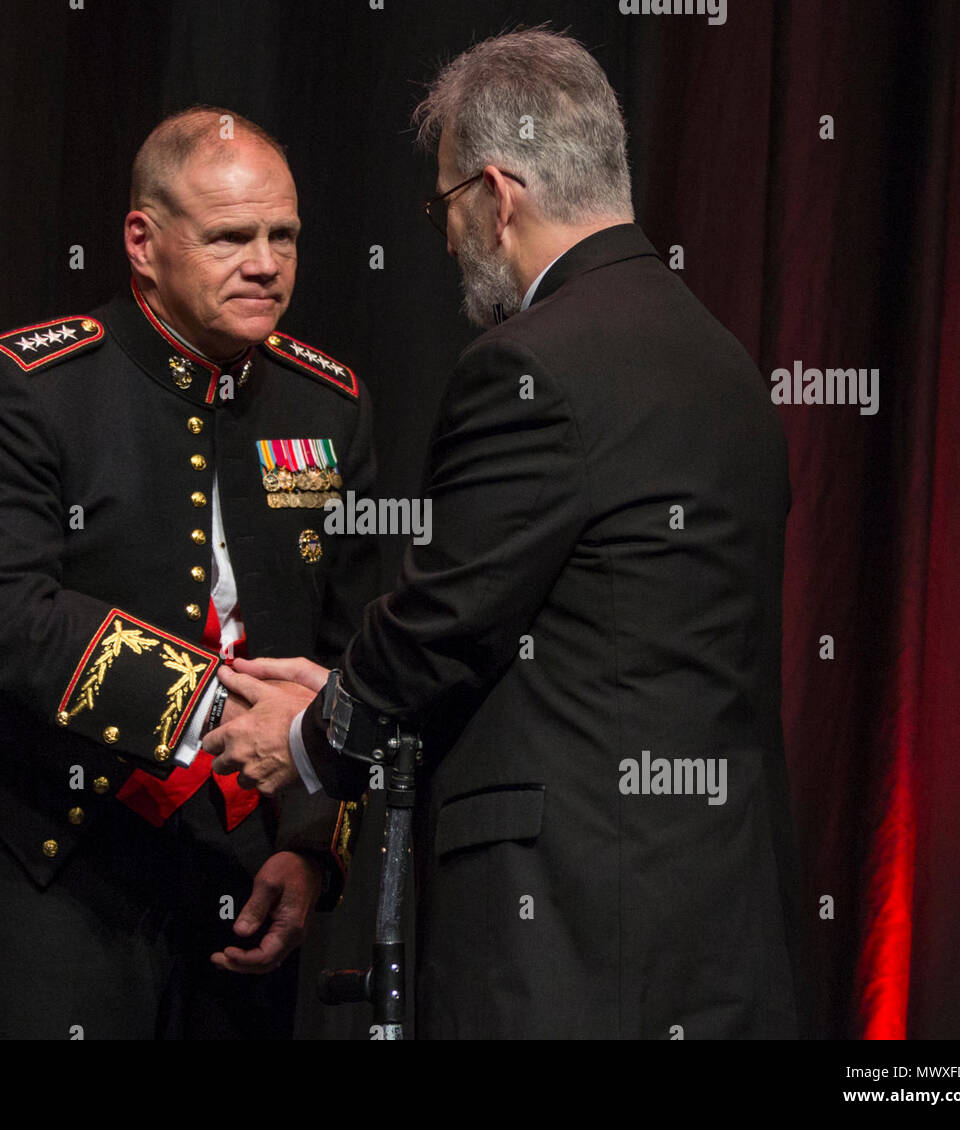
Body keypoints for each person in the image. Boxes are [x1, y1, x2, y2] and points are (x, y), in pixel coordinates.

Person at [206, 29, 803, 1038]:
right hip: (720, 920)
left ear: (496, 191)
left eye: (444, 204)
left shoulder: (528, 367)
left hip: (568, 936)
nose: (445, 236)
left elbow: (447, 619)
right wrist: (346, 684)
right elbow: (592, 629)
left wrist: (309, 734)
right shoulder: (724, 363)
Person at [0, 106, 377, 1039]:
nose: (265, 263)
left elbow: (352, 640)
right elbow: (4, 616)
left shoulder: (330, 402)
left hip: (245, 865)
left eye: (282, 235)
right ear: (142, 241)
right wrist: (221, 711)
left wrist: (309, 852)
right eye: (229, 237)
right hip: (60, 846)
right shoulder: (25, 390)